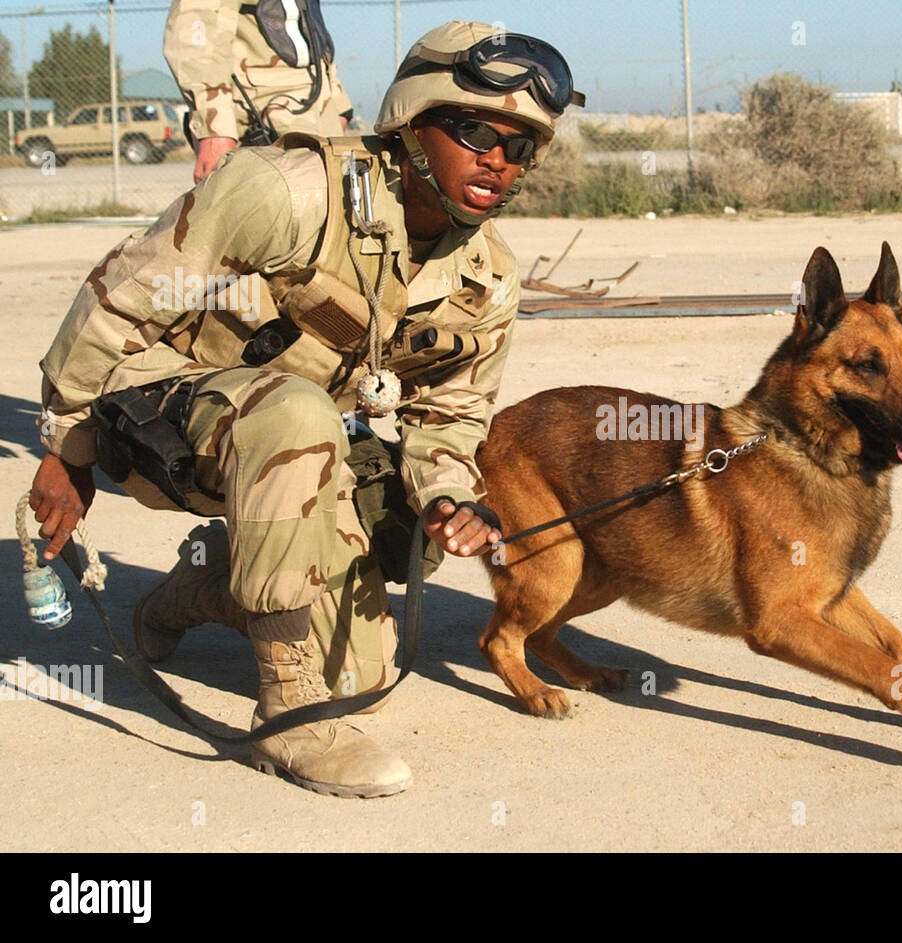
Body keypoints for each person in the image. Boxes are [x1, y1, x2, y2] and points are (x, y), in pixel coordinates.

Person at [29, 20, 584, 798]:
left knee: (369, 662)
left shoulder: (486, 277)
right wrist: (64, 447)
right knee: (297, 411)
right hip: (161, 415)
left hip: (286, 454)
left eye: (522, 146)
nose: (499, 159)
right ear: (413, 123)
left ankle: (205, 587)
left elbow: (450, 417)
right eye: (474, 132)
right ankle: (291, 716)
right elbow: (119, 299)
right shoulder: (290, 190)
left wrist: (448, 496)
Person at [163, 0, 355, 182]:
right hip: (262, 125)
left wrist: (337, 103)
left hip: (314, 117)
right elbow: (198, 23)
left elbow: (307, 22)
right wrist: (215, 130)